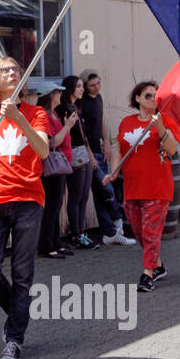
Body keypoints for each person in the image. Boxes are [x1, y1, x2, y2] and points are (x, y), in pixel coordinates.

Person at [0, 57, 49, 359]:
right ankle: (18, 313)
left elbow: (43, 150)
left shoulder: (36, 113)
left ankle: (15, 340)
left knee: (22, 274)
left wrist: (20, 119)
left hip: (28, 200)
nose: (12, 73)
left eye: (16, 70)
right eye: (5, 70)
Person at [103, 81, 174, 293]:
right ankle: (158, 265)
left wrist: (160, 126)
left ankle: (147, 274)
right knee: (140, 233)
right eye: (148, 96)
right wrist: (114, 171)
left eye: (155, 96)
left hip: (157, 188)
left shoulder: (163, 121)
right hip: (133, 188)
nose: (152, 99)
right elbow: (118, 150)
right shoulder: (126, 122)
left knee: (151, 233)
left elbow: (171, 150)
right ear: (137, 99)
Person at [80, 69, 135, 247]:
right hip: (90, 154)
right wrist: (90, 156)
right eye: (92, 85)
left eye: (98, 83)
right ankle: (117, 222)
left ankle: (109, 233)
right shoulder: (82, 102)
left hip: (101, 151)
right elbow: (82, 132)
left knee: (100, 195)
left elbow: (101, 120)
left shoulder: (99, 98)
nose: (96, 88)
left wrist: (106, 142)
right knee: (107, 189)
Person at [60, 75, 99, 250]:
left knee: (84, 195)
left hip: (84, 152)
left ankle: (82, 232)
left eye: (82, 86)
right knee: (75, 195)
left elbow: (84, 136)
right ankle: (75, 234)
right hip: (73, 154)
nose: (82, 89)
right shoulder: (64, 109)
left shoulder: (77, 107)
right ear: (69, 88)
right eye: (78, 86)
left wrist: (91, 156)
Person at [36, 81, 74, 259]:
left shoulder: (53, 114)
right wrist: (67, 127)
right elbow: (51, 142)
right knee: (51, 207)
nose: (61, 95)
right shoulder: (43, 115)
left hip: (60, 167)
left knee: (57, 205)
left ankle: (56, 242)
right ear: (50, 95)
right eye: (58, 92)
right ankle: (46, 245)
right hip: (50, 168)